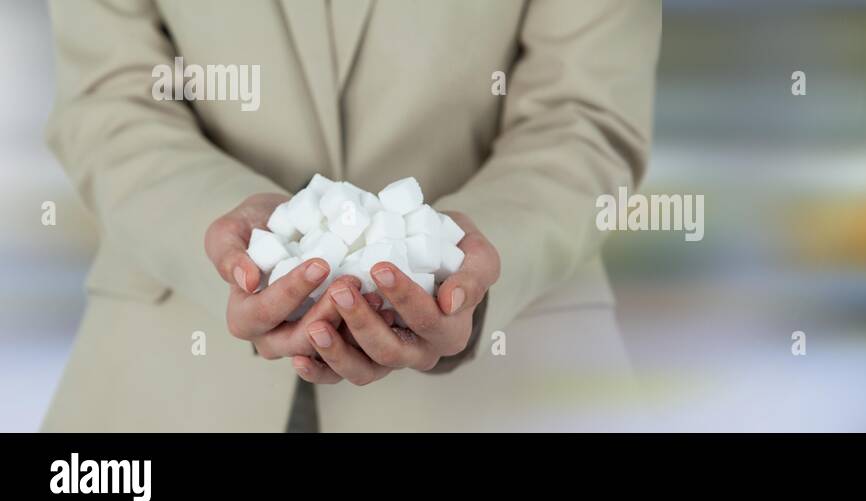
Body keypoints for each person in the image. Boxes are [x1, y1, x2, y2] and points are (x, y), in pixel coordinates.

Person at [42, 0, 659, 431]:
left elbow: (585, 116)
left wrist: (469, 268)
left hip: (516, 380)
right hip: (164, 384)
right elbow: (110, 97)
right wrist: (235, 241)